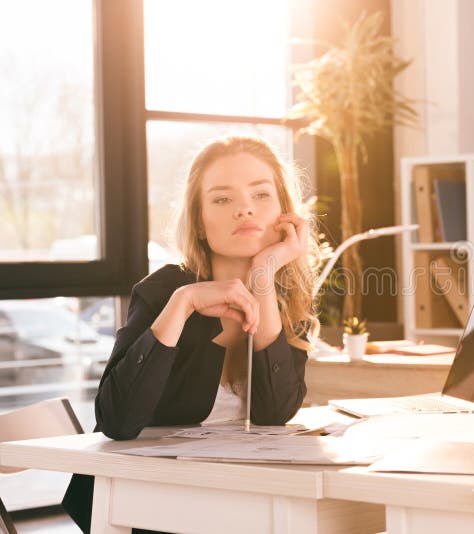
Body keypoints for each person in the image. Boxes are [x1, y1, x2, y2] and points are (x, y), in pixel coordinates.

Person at [62, 135, 320, 533]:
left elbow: (274, 414)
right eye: (222, 199)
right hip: (141, 504)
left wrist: (265, 274)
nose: (244, 209)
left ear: (285, 213)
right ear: (199, 220)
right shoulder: (164, 291)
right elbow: (118, 420)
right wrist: (182, 305)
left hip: (235, 496)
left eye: (261, 194)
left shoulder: (288, 299)